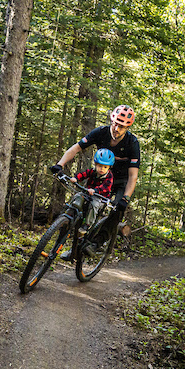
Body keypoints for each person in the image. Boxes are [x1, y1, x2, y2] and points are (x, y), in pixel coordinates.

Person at [50, 105, 140, 258]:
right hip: (100, 177)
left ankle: (96, 243)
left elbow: (133, 176)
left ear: (127, 127)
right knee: (81, 204)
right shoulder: (101, 132)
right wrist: (60, 164)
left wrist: (125, 198)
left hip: (120, 181)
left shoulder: (132, 142)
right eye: (116, 123)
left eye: (122, 126)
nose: (117, 128)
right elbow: (76, 148)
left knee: (117, 210)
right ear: (112, 120)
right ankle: (69, 246)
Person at [69, 148, 115, 234]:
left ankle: (87, 225)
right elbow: (83, 174)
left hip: (100, 197)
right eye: (100, 166)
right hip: (88, 193)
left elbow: (106, 187)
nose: (102, 169)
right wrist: (76, 178)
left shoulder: (109, 176)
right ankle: (70, 213)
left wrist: (95, 190)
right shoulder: (92, 171)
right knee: (78, 196)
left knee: (94, 205)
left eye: (105, 167)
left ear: (109, 167)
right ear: (95, 164)